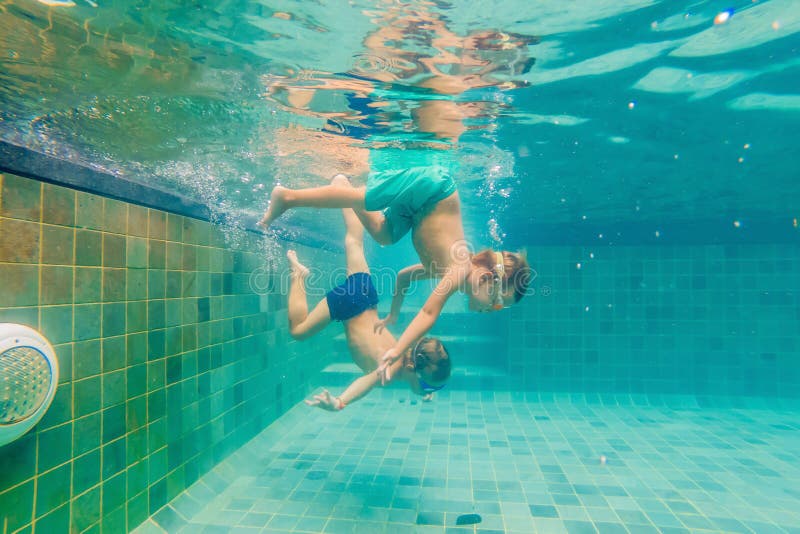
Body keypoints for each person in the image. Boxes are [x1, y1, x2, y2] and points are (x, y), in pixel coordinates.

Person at [259, 165, 530, 386]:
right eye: (497, 302)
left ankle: (340, 187)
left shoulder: (446, 269)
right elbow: (427, 314)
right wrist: (399, 349)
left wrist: (393, 315)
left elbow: (403, 276)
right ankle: (288, 197)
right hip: (434, 189)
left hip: (417, 208)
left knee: (383, 234)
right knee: (365, 199)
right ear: (487, 279)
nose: (493, 309)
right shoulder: (459, 269)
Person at [288, 177, 451, 411]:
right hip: (349, 306)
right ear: (413, 370)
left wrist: (426, 387)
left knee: (354, 242)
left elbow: (426, 363)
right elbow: (367, 382)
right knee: (298, 331)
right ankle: (298, 275)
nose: (430, 392)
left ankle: (344, 188)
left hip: (365, 295)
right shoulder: (393, 370)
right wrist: (340, 401)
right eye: (430, 387)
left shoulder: (408, 351)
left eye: (435, 388)